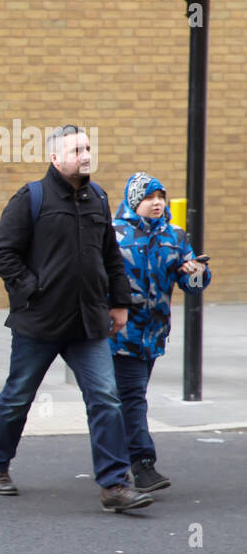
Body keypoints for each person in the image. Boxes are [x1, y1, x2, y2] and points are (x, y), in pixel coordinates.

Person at [0, 125, 154, 513]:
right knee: (18, 398)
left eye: (88, 147)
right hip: (39, 324)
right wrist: (32, 288)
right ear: (55, 158)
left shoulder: (97, 198)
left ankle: (114, 485)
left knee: (106, 399)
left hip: (88, 324)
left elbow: (110, 257)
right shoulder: (31, 198)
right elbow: (0, 254)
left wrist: (119, 303)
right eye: (77, 149)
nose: (85, 154)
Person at [109, 172, 210, 492]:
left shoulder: (174, 236)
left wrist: (196, 273)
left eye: (160, 198)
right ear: (134, 201)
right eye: (150, 198)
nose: (156, 204)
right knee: (133, 397)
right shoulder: (113, 234)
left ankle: (114, 460)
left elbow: (192, 285)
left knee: (127, 400)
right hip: (121, 332)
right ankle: (142, 464)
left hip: (154, 333)